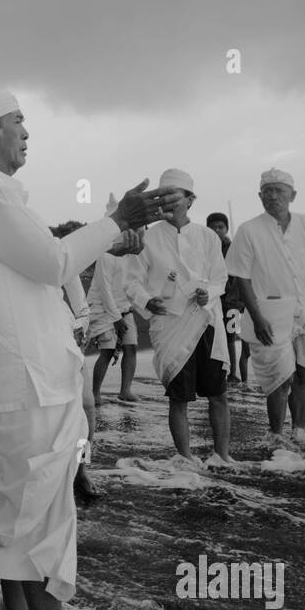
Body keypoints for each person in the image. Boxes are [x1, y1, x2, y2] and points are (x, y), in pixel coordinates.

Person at [0, 87, 176, 610]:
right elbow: (52, 262)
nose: (27, 131)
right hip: (30, 384)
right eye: (18, 121)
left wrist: (113, 236)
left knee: (18, 512)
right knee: (45, 517)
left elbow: (43, 265)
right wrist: (113, 220)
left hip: (21, 383)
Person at [125, 171, 233, 466]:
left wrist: (207, 294)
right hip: (170, 325)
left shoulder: (207, 236)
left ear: (190, 200)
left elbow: (220, 279)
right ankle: (185, 460)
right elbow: (132, 282)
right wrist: (148, 300)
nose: (168, 201)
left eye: (176, 195)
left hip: (207, 321)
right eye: (163, 196)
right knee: (179, 398)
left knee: (218, 393)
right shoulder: (148, 236)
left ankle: (222, 456)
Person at [226, 168, 305, 449]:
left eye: (279, 191)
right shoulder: (249, 230)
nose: (273, 196)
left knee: (303, 375)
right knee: (279, 379)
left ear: (292, 195)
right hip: (269, 314)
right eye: (267, 191)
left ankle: (300, 432)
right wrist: (256, 317)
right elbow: (241, 277)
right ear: (260, 196)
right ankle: (275, 436)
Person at [86, 196, 139, 405]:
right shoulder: (105, 254)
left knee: (131, 347)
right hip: (103, 308)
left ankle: (125, 389)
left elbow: (133, 281)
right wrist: (116, 317)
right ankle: (95, 392)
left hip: (124, 308)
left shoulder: (129, 254)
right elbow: (104, 289)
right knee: (107, 351)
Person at [206, 212, 247, 385]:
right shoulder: (205, 248)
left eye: (220, 227)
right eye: (213, 227)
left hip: (233, 303)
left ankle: (233, 373)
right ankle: (215, 371)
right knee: (212, 335)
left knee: (230, 338)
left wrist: (239, 301)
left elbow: (240, 276)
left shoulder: (233, 249)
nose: (216, 230)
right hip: (212, 301)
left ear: (226, 229)